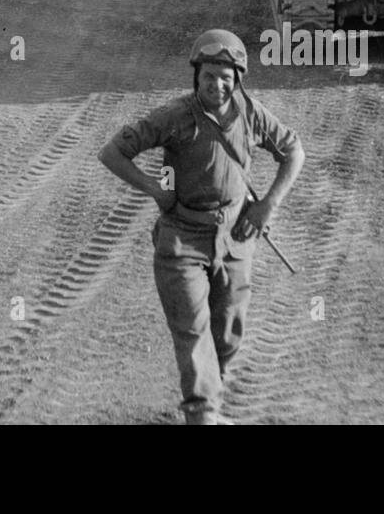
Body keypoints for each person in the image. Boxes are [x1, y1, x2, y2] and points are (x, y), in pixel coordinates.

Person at [98, 29, 305, 425]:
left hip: (236, 235)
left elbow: (294, 151)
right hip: (182, 238)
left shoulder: (251, 114)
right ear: (197, 76)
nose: (217, 85)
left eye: (226, 77)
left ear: (238, 79)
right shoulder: (175, 115)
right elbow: (113, 152)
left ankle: (211, 399)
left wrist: (268, 206)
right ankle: (202, 413)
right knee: (193, 330)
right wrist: (154, 190)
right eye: (209, 76)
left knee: (228, 331)